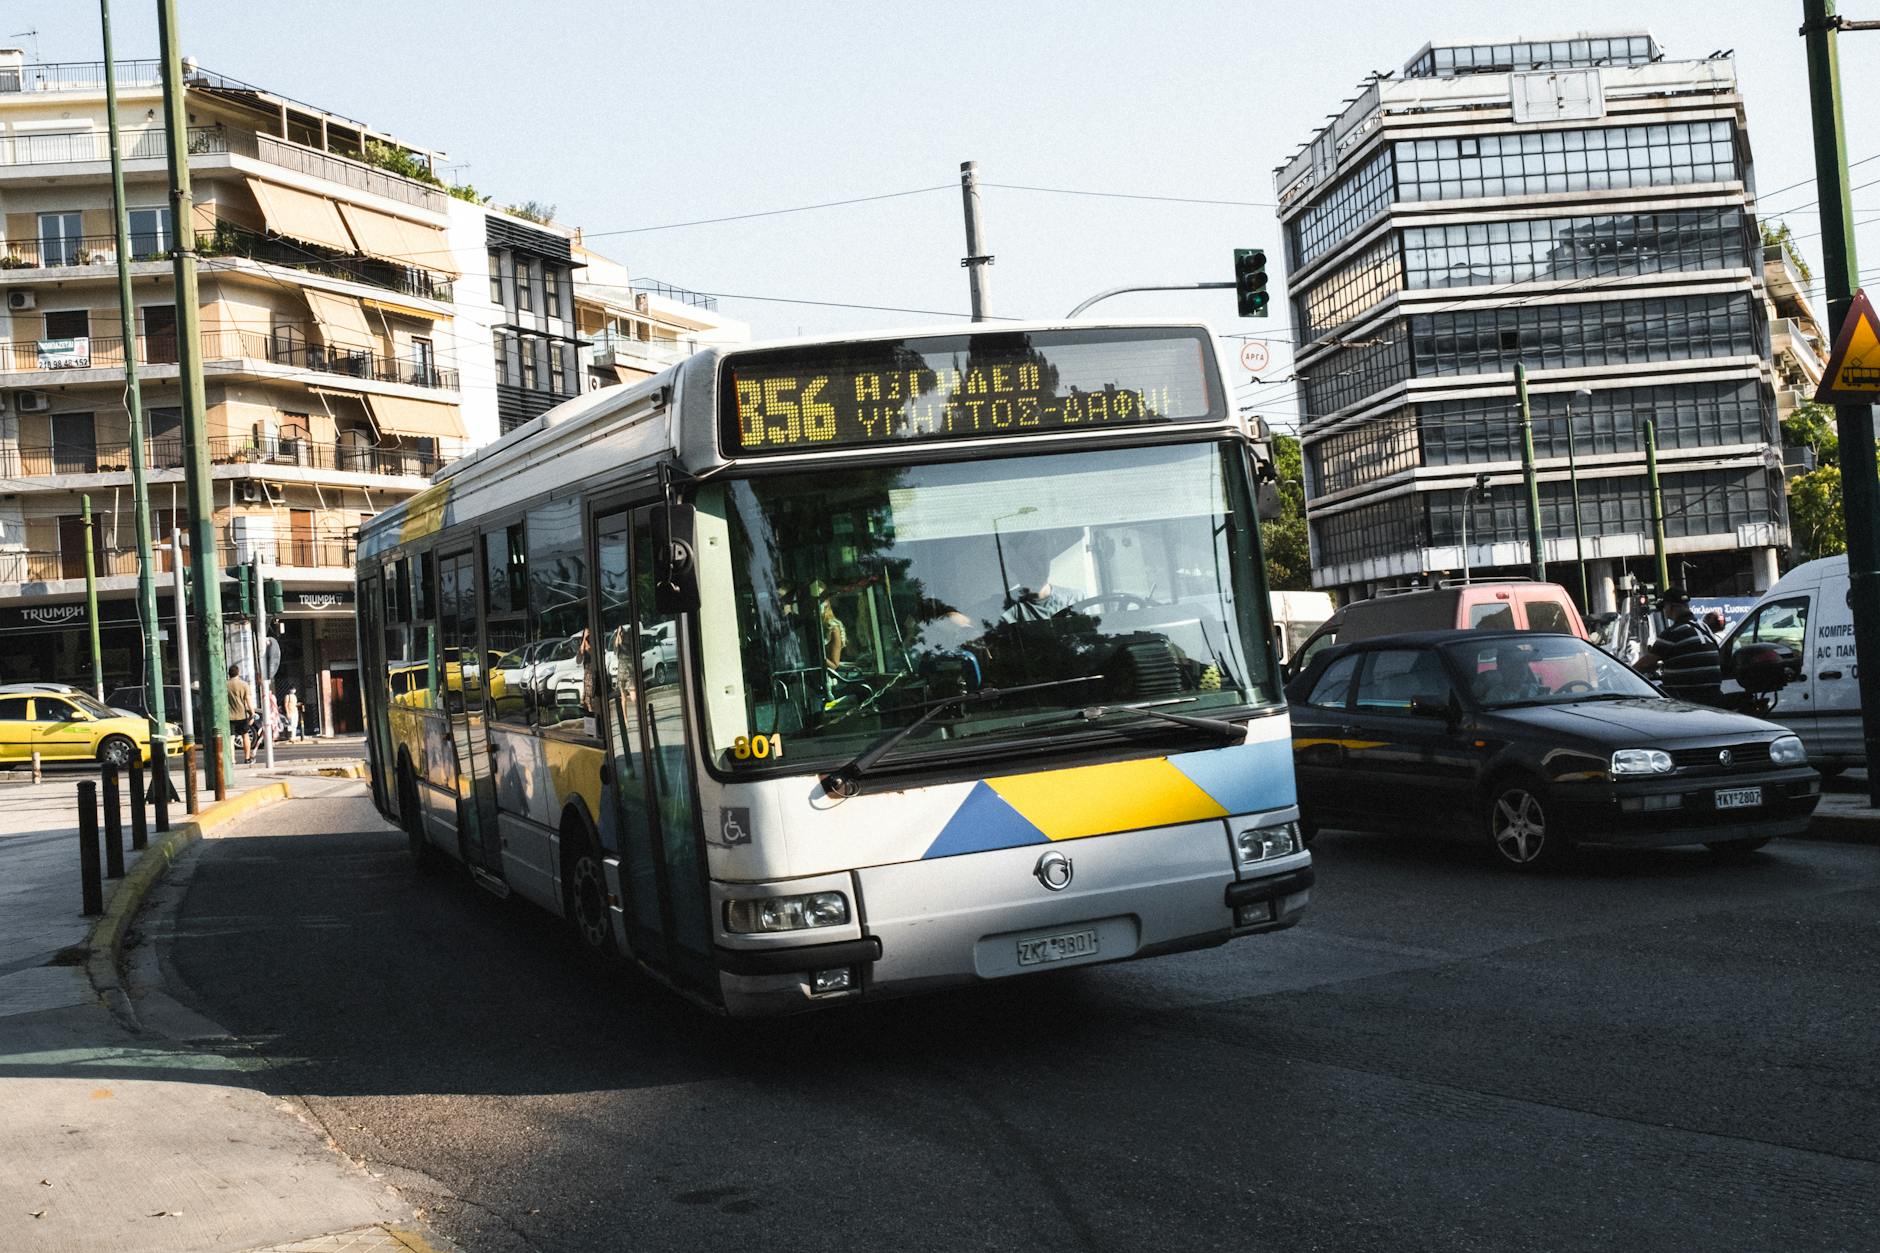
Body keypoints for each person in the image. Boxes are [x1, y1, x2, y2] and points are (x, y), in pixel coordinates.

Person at [1639, 586, 1723, 705]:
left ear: (1671, 607)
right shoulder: (1705, 628)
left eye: (1664, 607)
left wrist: (1625, 674)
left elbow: (1645, 664)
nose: (1664, 610)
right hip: (1713, 697)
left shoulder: (1673, 633)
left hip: (1687, 700)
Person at [225, 664, 254, 764]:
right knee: (245, 735)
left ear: (229, 674)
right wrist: (252, 713)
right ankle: (247, 758)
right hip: (241, 715)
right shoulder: (244, 685)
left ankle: (232, 759)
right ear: (238, 673)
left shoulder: (225, 685)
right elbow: (248, 700)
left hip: (229, 715)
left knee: (230, 737)